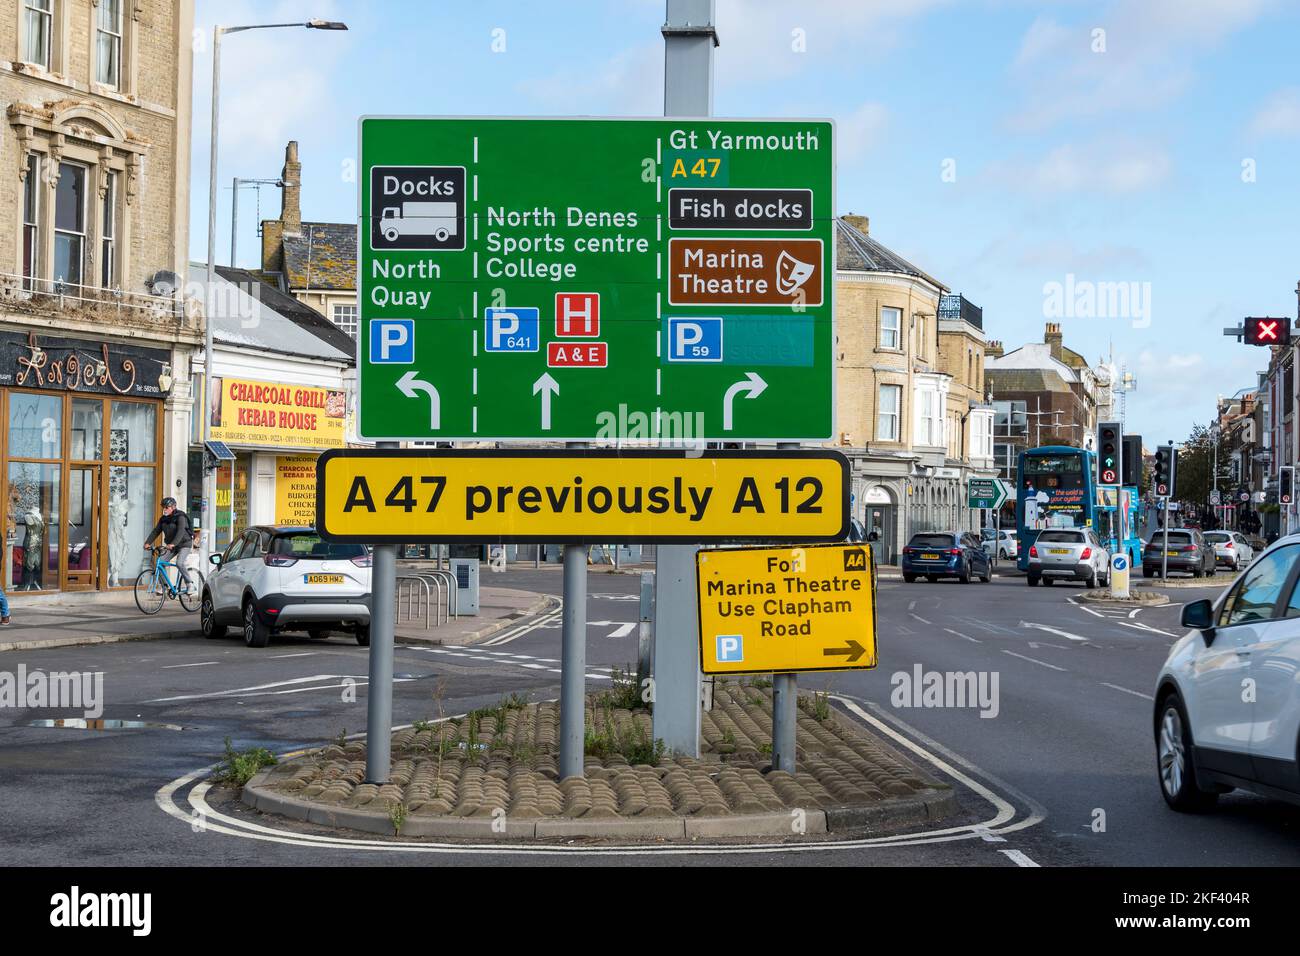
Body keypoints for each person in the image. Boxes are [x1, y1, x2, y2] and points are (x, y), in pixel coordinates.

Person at [143, 497, 193, 591]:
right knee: (160, 562)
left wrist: (173, 543)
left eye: (167, 507)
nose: (164, 509)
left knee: (179, 563)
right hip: (172, 545)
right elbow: (156, 531)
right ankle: (165, 586)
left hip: (184, 544)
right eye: (163, 507)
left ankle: (189, 583)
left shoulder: (180, 516)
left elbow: (181, 531)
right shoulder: (163, 519)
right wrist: (147, 542)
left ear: (173, 507)